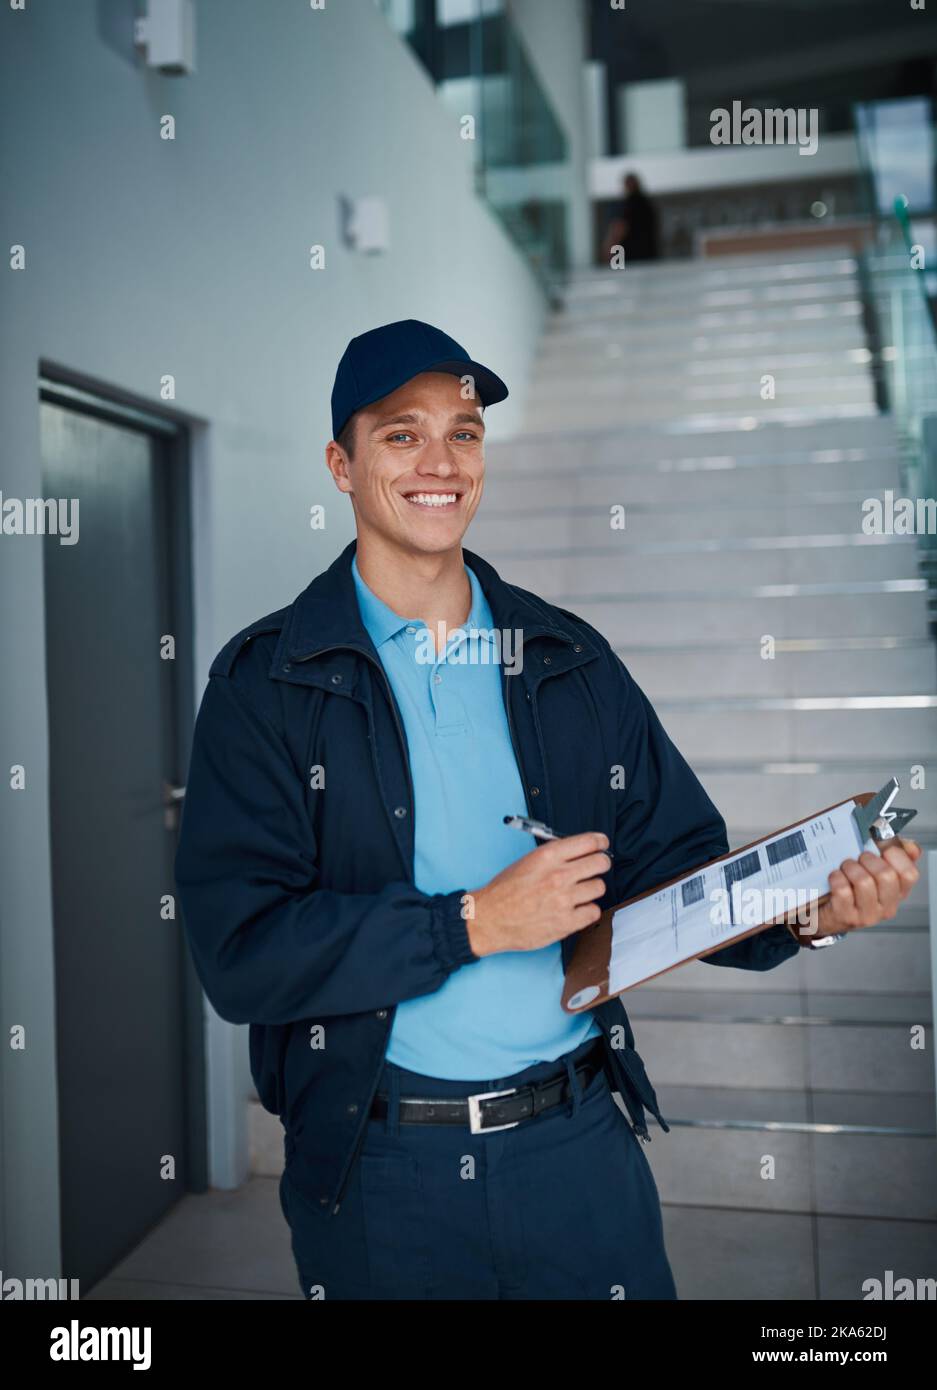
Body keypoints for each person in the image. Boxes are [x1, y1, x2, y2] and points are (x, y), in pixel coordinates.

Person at [174, 318, 921, 1301]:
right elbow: (243, 952)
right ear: (339, 464)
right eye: (402, 434)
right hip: (381, 1169)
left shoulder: (567, 659)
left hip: (576, 1155)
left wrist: (812, 911)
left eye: (465, 432)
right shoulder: (266, 682)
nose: (441, 461)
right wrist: (474, 923)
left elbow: (677, 874)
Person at [603, 172, 659, 263]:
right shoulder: (648, 205)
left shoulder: (628, 205)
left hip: (631, 257)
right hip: (648, 256)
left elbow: (619, 230)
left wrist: (611, 254)